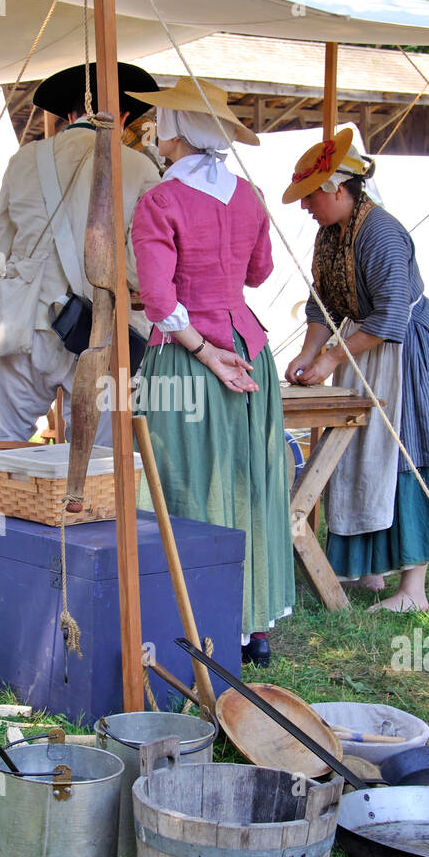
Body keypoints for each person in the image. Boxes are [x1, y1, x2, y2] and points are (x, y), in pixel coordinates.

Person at [129, 76, 295, 667]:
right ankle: (255, 628)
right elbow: (258, 274)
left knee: (187, 486)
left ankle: (201, 616)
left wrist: (201, 348)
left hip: (190, 362)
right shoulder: (248, 195)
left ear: (173, 132)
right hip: (252, 354)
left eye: (160, 123)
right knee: (251, 482)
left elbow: (158, 302)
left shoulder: (161, 200)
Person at [283, 129, 429, 613]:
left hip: (409, 351)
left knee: (411, 454)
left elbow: (389, 317)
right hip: (363, 348)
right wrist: (310, 353)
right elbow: (321, 301)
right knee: (362, 455)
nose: (305, 208)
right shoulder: (330, 235)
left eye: (310, 198)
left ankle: (414, 590)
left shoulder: (382, 232)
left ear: (336, 190)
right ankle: (371, 568)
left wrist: (330, 358)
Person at [0, 62, 160, 442]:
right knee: (98, 462)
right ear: (122, 117)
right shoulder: (140, 167)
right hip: (99, 331)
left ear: (69, 116)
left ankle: (9, 505)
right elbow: (140, 269)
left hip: (22, 326)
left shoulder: (23, 160)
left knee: (2, 451)